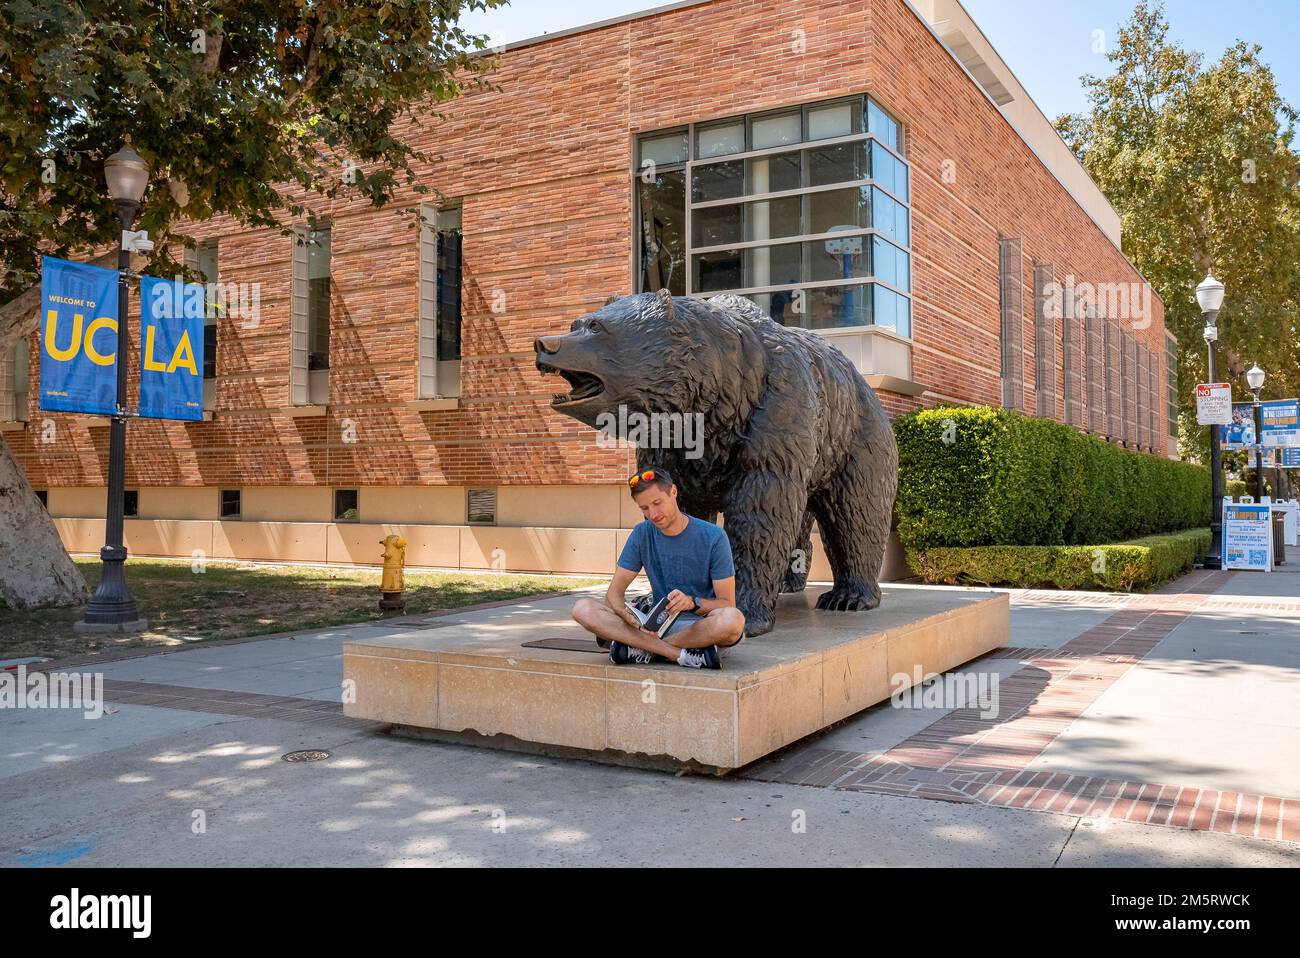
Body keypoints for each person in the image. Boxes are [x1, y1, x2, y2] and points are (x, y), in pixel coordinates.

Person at [571, 468, 745, 669]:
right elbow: (614, 594)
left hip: (698, 629)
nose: (652, 514)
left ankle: (640, 649)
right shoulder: (642, 533)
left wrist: (691, 602)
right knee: (582, 608)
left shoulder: (713, 537)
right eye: (644, 508)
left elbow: (727, 603)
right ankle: (680, 655)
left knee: (733, 620)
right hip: (655, 626)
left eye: (657, 503)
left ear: (673, 492)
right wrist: (622, 611)